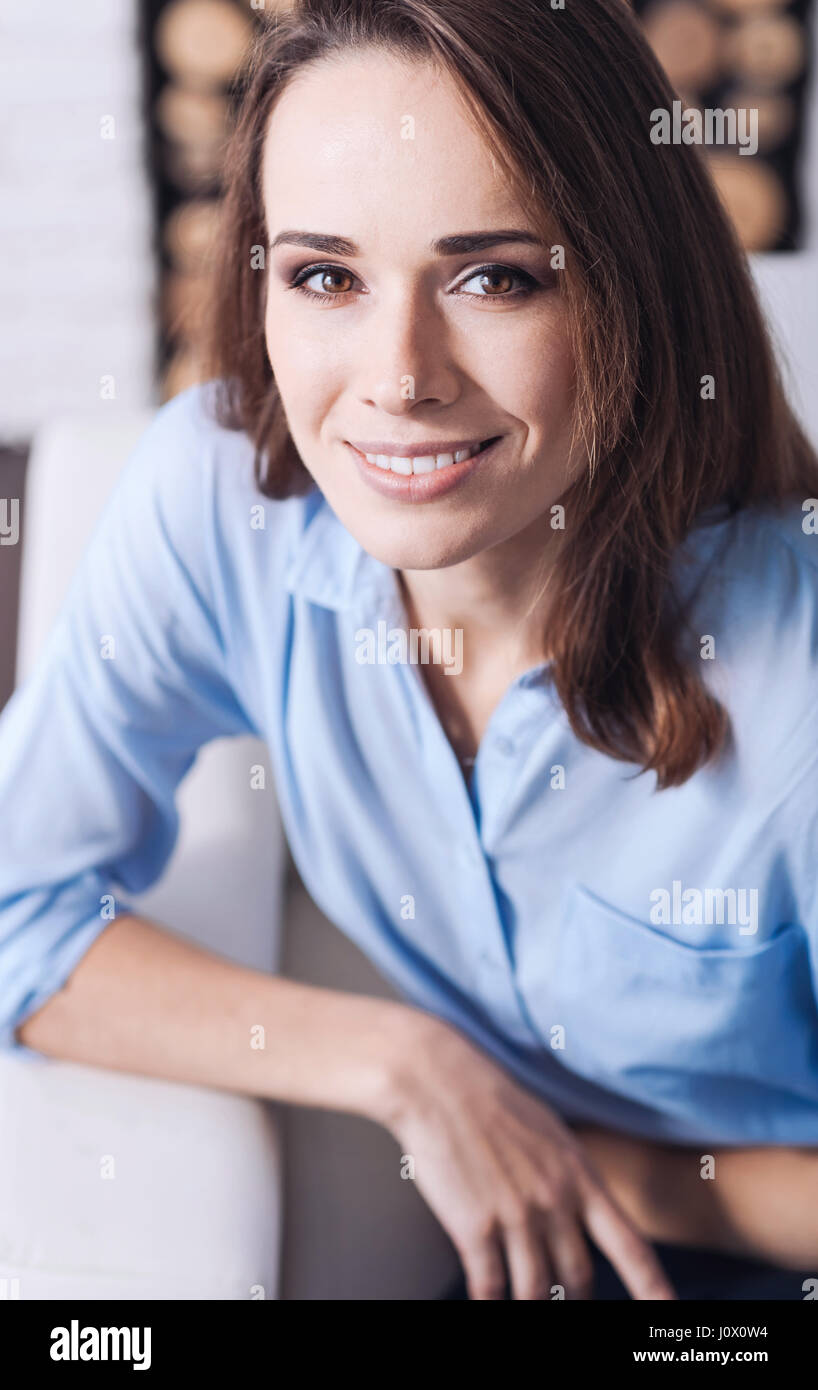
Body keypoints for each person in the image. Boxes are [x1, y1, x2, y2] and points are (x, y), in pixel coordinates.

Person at [1, 0, 818, 1301]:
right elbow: (17, 910)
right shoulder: (220, 509)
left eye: (495, 275)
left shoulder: (793, 683)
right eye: (325, 274)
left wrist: (608, 1170)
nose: (397, 376)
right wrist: (402, 1065)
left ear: (631, 293)